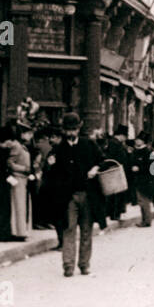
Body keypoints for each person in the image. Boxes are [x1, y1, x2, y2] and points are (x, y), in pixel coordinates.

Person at [47, 112, 103, 276]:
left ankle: (84, 264)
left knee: (86, 231)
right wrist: (51, 165)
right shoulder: (58, 150)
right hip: (68, 197)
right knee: (68, 229)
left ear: (79, 128)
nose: (71, 133)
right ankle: (68, 265)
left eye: (74, 129)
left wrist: (96, 168)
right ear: (64, 130)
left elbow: (102, 160)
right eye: (68, 130)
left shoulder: (89, 144)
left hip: (87, 194)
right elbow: (51, 176)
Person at [2, 122, 32, 239]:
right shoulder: (16, 146)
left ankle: (21, 230)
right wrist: (25, 169)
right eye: (27, 133)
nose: (30, 136)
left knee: (21, 205)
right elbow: (10, 163)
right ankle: (17, 231)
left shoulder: (21, 146)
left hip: (23, 178)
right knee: (18, 205)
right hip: (17, 178)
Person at [128, 133, 154, 227]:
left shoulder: (147, 152)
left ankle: (146, 220)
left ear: (143, 141)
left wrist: (139, 168)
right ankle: (145, 219)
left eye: (139, 139)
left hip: (145, 180)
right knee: (141, 201)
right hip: (138, 179)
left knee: (144, 201)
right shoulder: (136, 151)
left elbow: (150, 167)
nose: (137, 141)